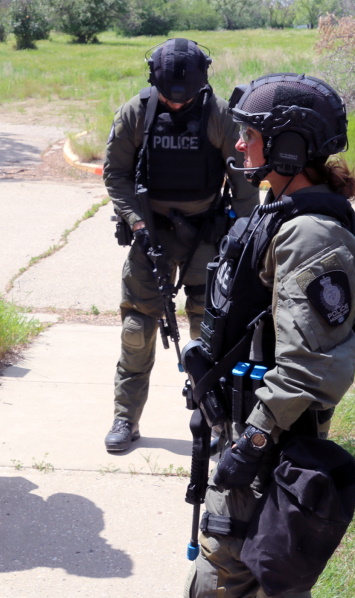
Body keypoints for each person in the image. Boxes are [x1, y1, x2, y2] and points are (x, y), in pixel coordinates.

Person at [186, 73, 355, 598]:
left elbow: (310, 364)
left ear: (290, 147)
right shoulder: (282, 210)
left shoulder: (311, 235)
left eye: (251, 134)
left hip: (274, 440)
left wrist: (254, 440)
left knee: (232, 577)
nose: (239, 143)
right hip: (251, 424)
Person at [102, 38, 260, 452]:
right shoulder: (136, 111)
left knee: (209, 333)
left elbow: (244, 181)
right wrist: (135, 221)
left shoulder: (219, 114)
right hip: (149, 235)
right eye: (168, 98)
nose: (175, 105)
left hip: (206, 235)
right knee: (138, 329)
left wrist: (242, 238)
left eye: (184, 98)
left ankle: (216, 423)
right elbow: (116, 174)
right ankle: (125, 418)